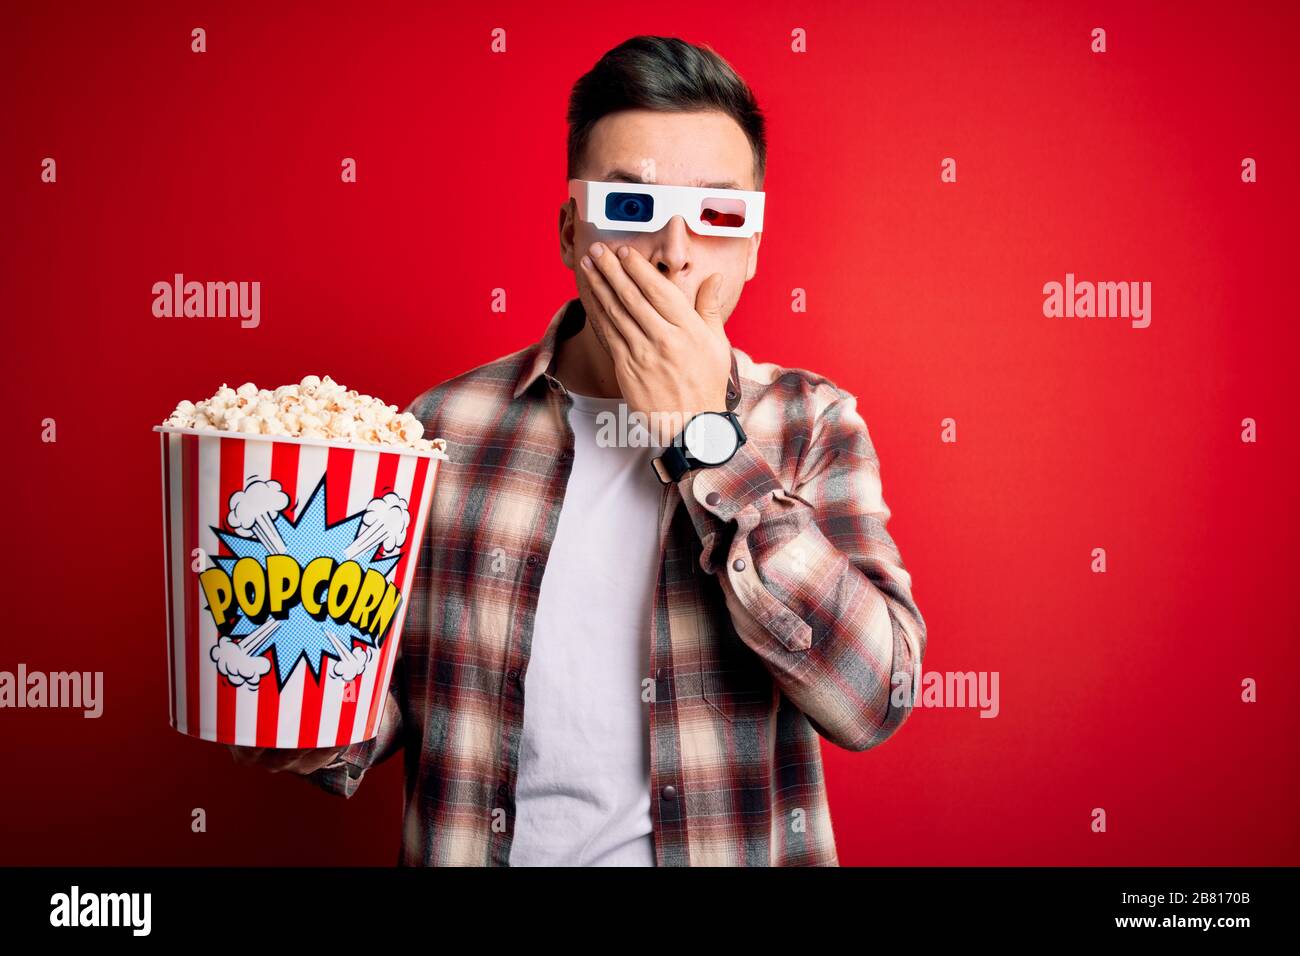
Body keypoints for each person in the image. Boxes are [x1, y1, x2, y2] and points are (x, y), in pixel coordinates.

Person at [229, 34, 926, 866]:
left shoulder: (812, 423)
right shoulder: (441, 428)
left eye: (718, 213)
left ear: (752, 249)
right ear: (569, 232)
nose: (674, 251)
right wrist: (285, 707)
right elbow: (381, 712)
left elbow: (874, 702)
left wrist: (705, 437)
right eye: (630, 207)